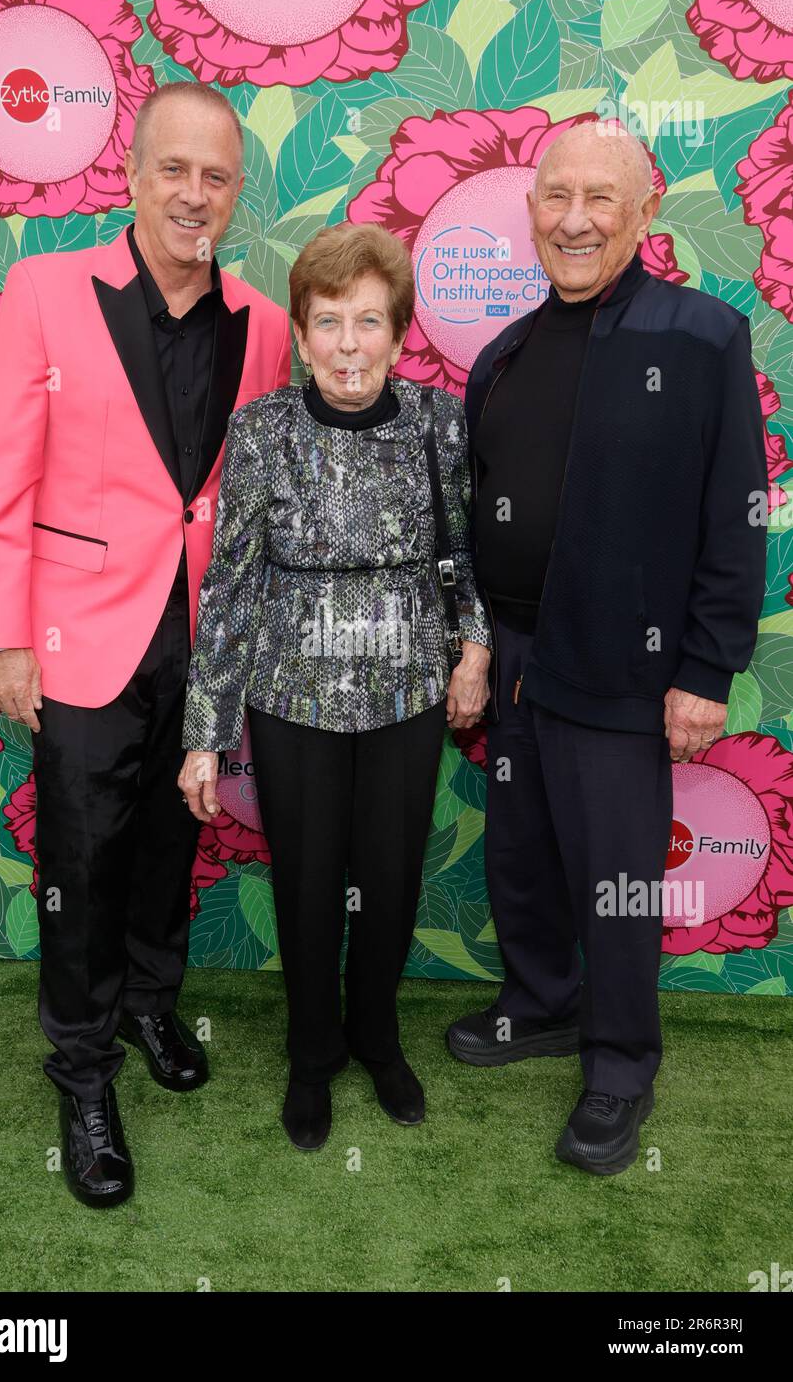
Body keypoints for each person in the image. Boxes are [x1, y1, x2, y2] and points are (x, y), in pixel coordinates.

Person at [0, 82, 291, 1207]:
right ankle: (83, 1068)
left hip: (198, 639)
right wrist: (4, 636)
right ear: (133, 175)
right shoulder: (48, 291)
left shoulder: (266, 324)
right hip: (76, 637)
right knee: (85, 861)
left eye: (216, 176)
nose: (194, 193)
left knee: (167, 837)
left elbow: (240, 497)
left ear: (237, 192)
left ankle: (154, 998)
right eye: (175, 170)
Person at [447, 122, 767, 1175]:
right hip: (516, 660)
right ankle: (540, 1003)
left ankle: (622, 1059)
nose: (574, 219)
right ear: (530, 209)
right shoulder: (504, 354)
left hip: (628, 669)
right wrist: (480, 648)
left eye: (599, 198)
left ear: (642, 215)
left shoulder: (703, 336)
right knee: (522, 860)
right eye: (555, 197)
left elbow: (734, 514)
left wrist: (705, 668)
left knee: (618, 882)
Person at [179, 222, 492, 1150]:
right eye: (326, 322)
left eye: (367, 322)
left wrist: (471, 650)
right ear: (300, 334)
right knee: (309, 884)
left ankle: (377, 1037)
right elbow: (231, 583)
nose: (347, 345)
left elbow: (463, 555)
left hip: (405, 693)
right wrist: (205, 731)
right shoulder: (260, 430)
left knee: (389, 881)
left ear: (398, 334)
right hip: (291, 698)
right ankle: (311, 1053)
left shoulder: (439, 423)